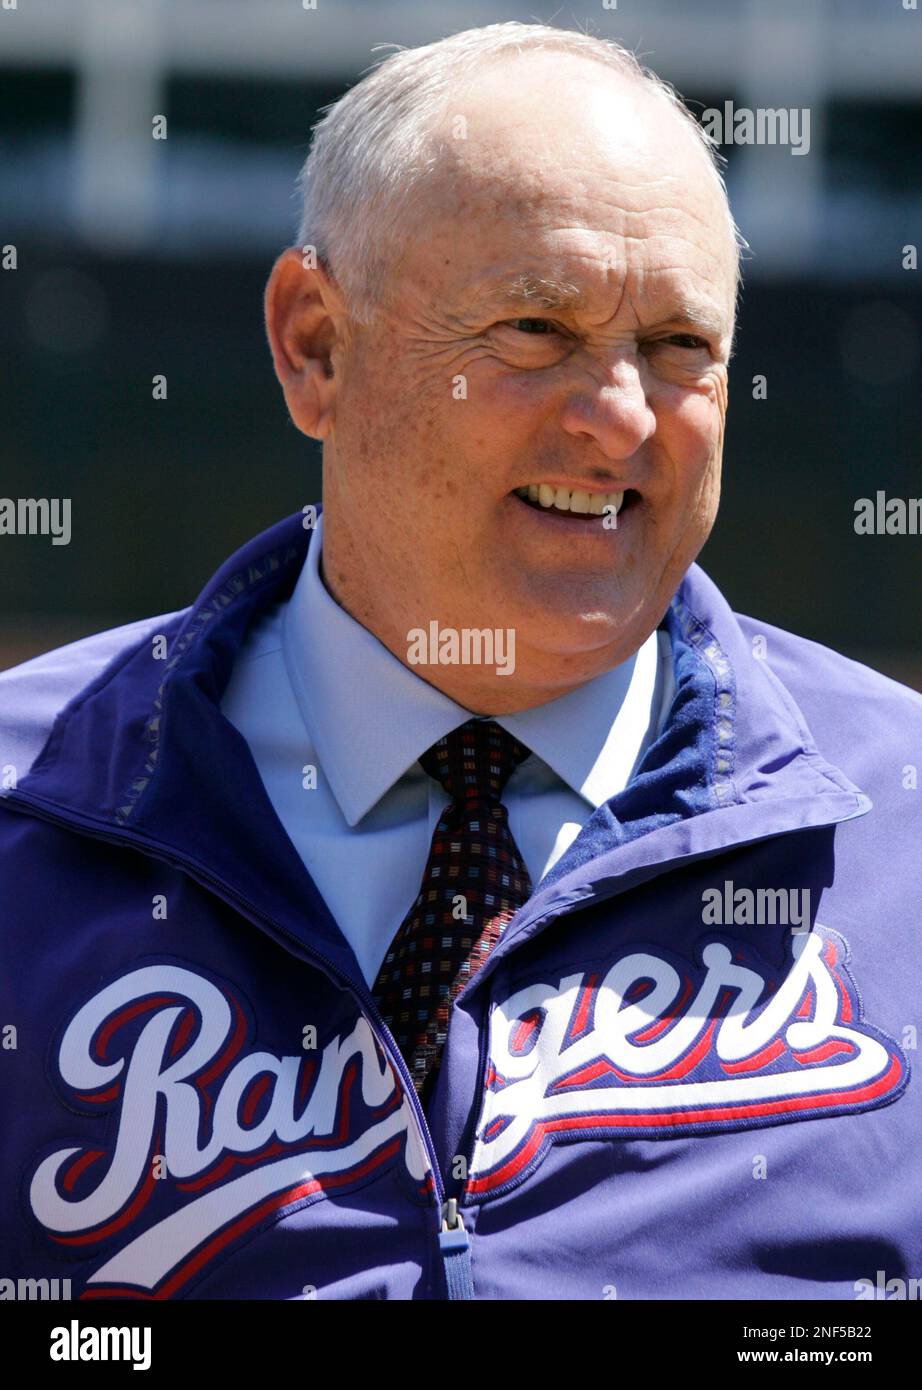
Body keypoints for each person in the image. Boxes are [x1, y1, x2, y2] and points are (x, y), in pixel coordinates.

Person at [0, 22, 919, 1302]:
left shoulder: (901, 827)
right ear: (315, 345)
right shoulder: (32, 811)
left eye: (678, 347)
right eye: (535, 327)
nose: (620, 419)